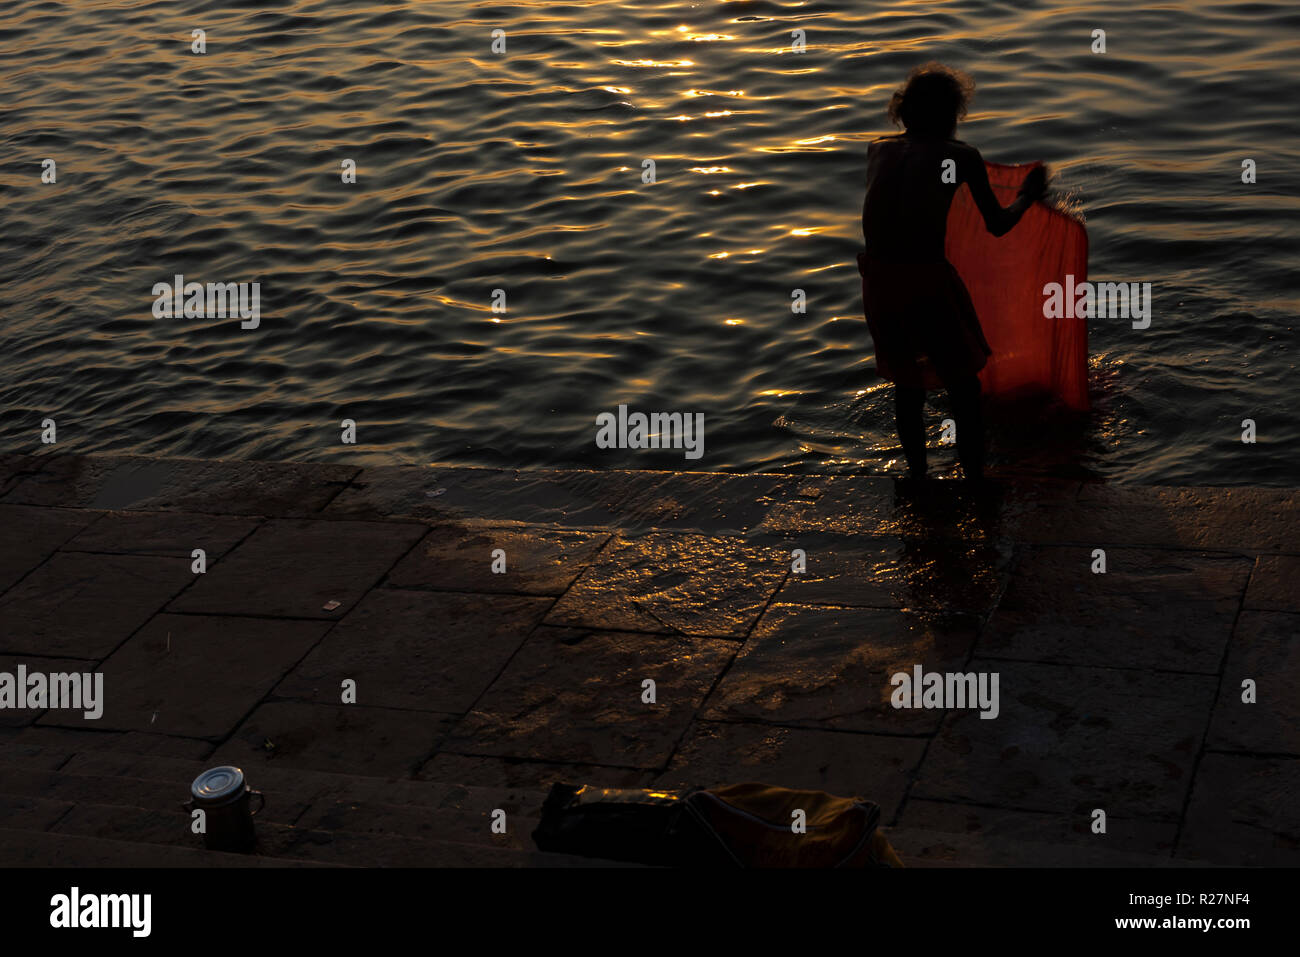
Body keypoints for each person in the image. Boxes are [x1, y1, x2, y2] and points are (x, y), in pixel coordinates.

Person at [859, 62, 1047, 483]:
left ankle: (918, 477)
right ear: (952, 114)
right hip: (925, 280)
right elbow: (996, 225)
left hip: (878, 281)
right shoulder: (961, 156)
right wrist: (1027, 197)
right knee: (964, 387)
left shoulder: (877, 148)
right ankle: (975, 479)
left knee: (907, 386)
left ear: (903, 111)